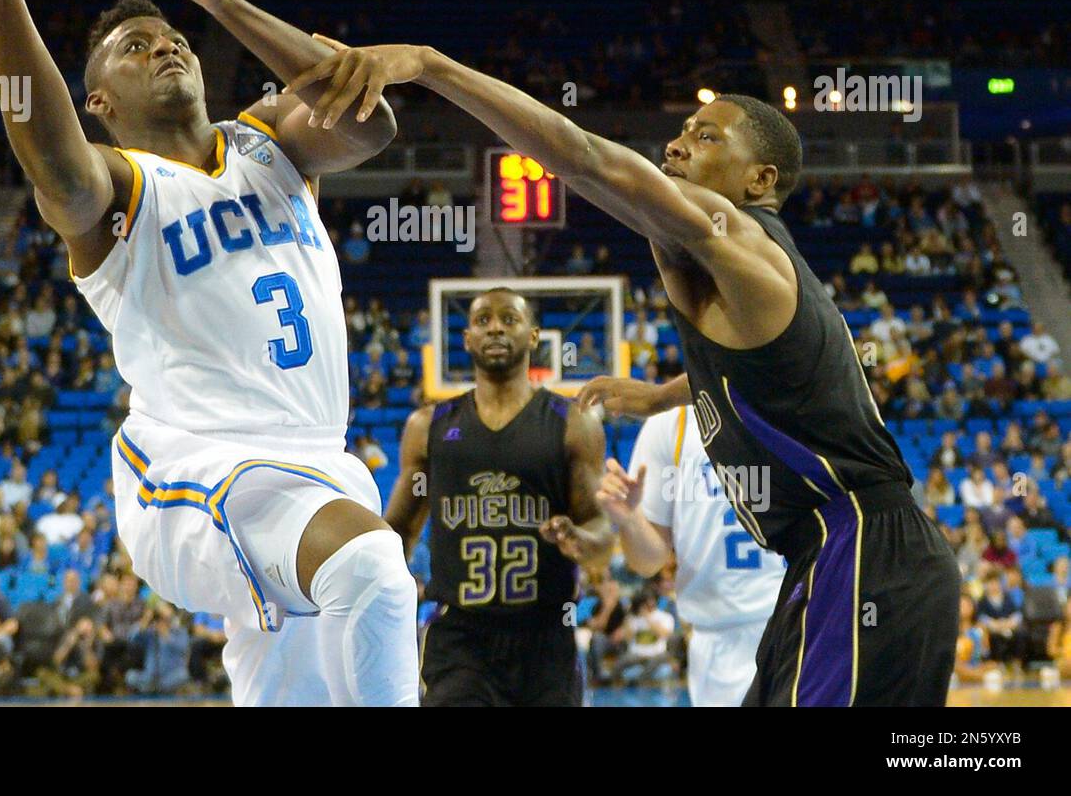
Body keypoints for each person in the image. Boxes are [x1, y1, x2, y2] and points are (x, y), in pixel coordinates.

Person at [291, 43, 960, 706]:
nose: (676, 144)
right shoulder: (746, 282)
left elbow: (581, 155)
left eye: (706, 136)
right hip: (829, 556)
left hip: (865, 548)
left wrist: (432, 66)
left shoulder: (740, 240)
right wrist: (666, 394)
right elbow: (792, 372)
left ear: (759, 181)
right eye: (682, 130)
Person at [0, 0, 415, 706]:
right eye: (134, 48)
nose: (163, 47)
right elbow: (55, 163)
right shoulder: (118, 187)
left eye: (173, 39)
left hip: (318, 465)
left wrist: (224, 4)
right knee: (372, 565)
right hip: (193, 470)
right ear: (99, 103)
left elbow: (371, 123)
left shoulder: (270, 140)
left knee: (309, 685)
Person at [385, 288, 610, 706]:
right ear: (467, 338)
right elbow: (397, 532)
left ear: (534, 336)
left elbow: (601, 528)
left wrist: (580, 539)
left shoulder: (573, 424)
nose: (495, 329)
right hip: (460, 640)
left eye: (509, 319)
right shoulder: (428, 427)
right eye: (483, 320)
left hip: (547, 637)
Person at [586, 380, 785, 706]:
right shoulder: (670, 423)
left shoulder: (796, 401)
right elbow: (648, 561)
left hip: (801, 624)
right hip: (713, 638)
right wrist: (630, 519)